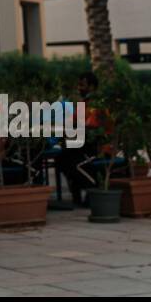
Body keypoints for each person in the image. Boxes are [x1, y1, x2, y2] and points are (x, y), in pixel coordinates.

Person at [55, 72, 100, 205]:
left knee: (70, 161)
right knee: (62, 157)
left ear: (92, 87)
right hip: (82, 143)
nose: (79, 88)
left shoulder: (98, 103)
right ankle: (77, 195)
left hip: (96, 146)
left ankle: (93, 189)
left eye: (82, 85)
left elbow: (92, 125)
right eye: (78, 85)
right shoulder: (83, 103)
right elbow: (73, 121)